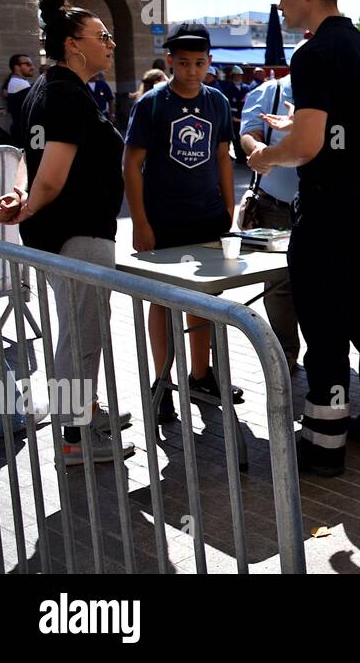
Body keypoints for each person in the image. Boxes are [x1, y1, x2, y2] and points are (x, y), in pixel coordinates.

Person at [248, 0, 360, 477]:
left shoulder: (312, 53)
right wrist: (294, 123)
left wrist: (267, 155)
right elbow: (342, 124)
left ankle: (324, 440)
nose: (281, 2)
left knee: (324, 316)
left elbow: (311, 146)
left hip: (328, 202)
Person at [0, 0, 132, 464]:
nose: (111, 44)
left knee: (79, 331)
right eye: (102, 36)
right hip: (77, 235)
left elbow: (29, 165)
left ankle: (85, 413)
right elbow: (50, 175)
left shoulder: (43, 90)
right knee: (81, 335)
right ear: (73, 44)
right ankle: (75, 438)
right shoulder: (66, 94)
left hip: (64, 234)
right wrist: (27, 207)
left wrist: (20, 200)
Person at [123, 24, 239, 424]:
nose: (192, 71)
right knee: (162, 302)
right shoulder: (152, 104)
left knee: (204, 301)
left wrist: (229, 205)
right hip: (163, 220)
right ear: (170, 61)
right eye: (184, 63)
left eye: (200, 63)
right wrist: (140, 221)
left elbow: (223, 156)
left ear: (209, 62)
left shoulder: (219, 102)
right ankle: (161, 382)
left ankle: (201, 374)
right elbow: (131, 164)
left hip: (208, 218)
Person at [238, 73, 301, 372]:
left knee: (319, 280)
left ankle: (323, 351)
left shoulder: (329, 86)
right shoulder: (269, 90)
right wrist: (258, 150)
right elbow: (249, 133)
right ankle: (287, 353)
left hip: (319, 205)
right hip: (276, 205)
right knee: (279, 285)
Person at [5, 53, 35, 145]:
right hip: (26, 132)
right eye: (28, 64)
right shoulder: (20, 84)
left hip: (22, 131)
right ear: (17, 67)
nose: (33, 67)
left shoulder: (17, 82)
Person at [224, 64, 250, 160]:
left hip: (244, 117)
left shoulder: (246, 88)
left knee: (243, 135)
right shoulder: (228, 89)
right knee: (235, 137)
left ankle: (243, 155)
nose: (237, 77)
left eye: (239, 75)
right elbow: (227, 104)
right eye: (235, 75)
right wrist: (232, 117)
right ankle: (239, 156)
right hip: (233, 118)